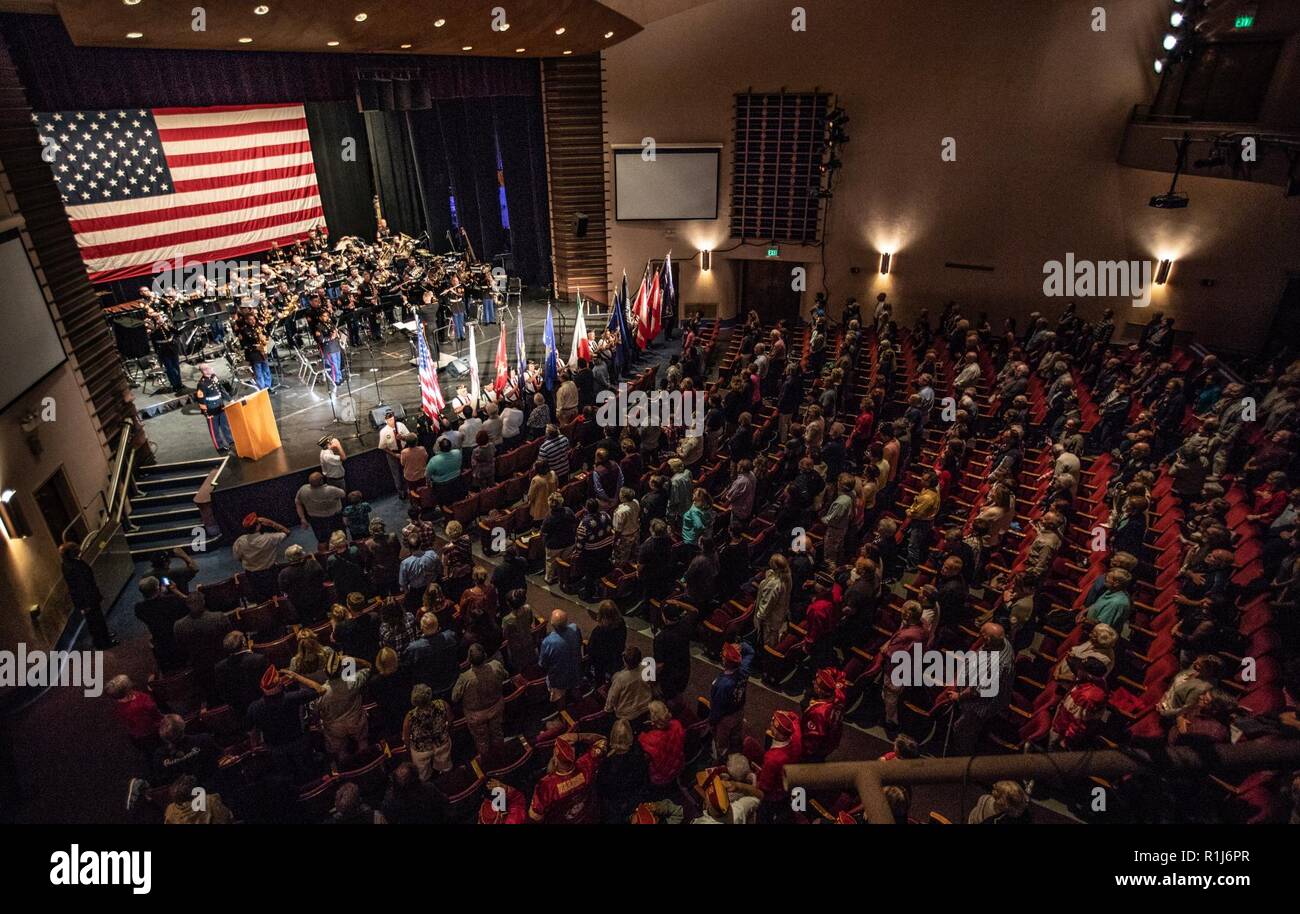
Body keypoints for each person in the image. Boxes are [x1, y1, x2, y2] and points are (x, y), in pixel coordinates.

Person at [528, 732, 607, 823]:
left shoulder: (546, 786)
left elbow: (535, 817)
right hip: (587, 815)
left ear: (555, 759)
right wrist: (578, 736)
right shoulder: (587, 764)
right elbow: (602, 740)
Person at [173, 592, 233, 695]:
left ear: (187, 605)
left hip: (199, 667)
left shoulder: (178, 626)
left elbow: (181, 648)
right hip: (223, 660)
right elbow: (230, 637)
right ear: (204, 602)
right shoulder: (219, 617)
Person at [60, 541, 116, 649]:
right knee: (95, 622)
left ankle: (105, 637)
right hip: (88, 600)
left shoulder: (67, 564)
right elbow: (82, 586)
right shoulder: (74, 566)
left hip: (88, 599)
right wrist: (85, 605)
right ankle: (103, 643)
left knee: (97, 620)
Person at [708, 641, 754, 760]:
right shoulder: (743, 669)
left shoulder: (723, 685)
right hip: (739, 710)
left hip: (725, 718)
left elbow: (717, 708)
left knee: (721, 744)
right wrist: (740, 647)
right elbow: (750, 651)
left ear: (725, 662)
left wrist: (712, 723)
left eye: (723, 655)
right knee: (736, 735)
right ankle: (736, 751)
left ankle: (722, 761)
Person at [134, 576, 190, 670]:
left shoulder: (139, 608)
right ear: (158, 588)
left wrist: (160, 595)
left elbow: (155, 608)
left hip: (160, 643)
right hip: (179, 639)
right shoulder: (173, 600)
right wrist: (175, 591)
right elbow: (190, 602)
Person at [231, 513, 290, 600]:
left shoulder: (240, 541)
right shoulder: (269, 538)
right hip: (270, 573)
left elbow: (237, 557)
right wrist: (271, 523)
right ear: (258, 526)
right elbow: (287, 532)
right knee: (277, 597)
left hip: (252, 575)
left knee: (260, 599)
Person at [402, 683, 452, 780]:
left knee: (422, 774)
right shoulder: (442, 704)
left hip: (421, 750)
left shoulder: (410, 716)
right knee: (445, 766)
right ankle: (447, 781)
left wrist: (409, 750)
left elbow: (406, 737)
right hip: (441, 743)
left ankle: (426, 783)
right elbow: (450, 721)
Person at [539, 609, 583, 706]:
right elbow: (580, 643)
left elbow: (543, 664)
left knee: (560, 698)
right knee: (576, 691)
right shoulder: (575, 628)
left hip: (559, 679)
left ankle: (563, 714)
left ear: (552, 624)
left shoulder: (547, 642)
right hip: (576, 671)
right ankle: (580, 706)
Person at [638, 701, 686, 788]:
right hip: (679, 767)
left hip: (661, 777)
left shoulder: (647, 740)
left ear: (651, 721)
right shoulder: (677, 725)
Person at [277, 544, 327, 625]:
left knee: (307, 624)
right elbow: (322, 576)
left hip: (299, 606)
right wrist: (314, 560)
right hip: (318, 600)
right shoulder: (312, 564)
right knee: (322, 621)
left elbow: (283, 589)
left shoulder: (284, 573)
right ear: (302, 555)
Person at [605, 646, 654, 723]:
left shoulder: (620, 678)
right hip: (645, 707)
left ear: (625, 662)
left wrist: (607, 710)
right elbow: (651, 684)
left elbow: (612, 698)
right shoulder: (647, 668)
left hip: (627, 715)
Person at [295, 472, 346, 545]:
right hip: (334, 518)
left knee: (322, 540)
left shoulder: (303, 490)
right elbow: (343, 494)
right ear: (321, 480)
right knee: (340, 538)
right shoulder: (331, 490)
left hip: (316, 520)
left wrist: (302, 518)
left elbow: (298, 503)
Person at [194, 362, 234, 453]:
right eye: (208, 368)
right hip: (211, 410)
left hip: (220, 406)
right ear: (204, 371)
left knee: (225, 425)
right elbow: (201, 400)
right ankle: (219, 446)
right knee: (214, 430)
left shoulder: (214, 377)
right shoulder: (202, 384)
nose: (211, 368)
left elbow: (221, 390)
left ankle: (230, 441)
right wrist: (206, 413)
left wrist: (229, 399)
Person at [587, 599, 628, 684]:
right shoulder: (621, 623)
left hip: (602, 662)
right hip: (616, 657)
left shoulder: (599, 631)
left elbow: (591, 649)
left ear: (602, 615)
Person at [377, 409, 413, 497]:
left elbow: (409, 437)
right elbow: (383, 447)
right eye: (389, 420)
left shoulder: (400, 425)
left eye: (392, 419)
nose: (391, 421)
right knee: (396, 474)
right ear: (386, 420)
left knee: (408, 470)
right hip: (393, 454)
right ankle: (401, 492)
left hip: (404, 450)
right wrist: (394, 455)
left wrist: (403, 438)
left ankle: (410, 490)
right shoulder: (383, 431)